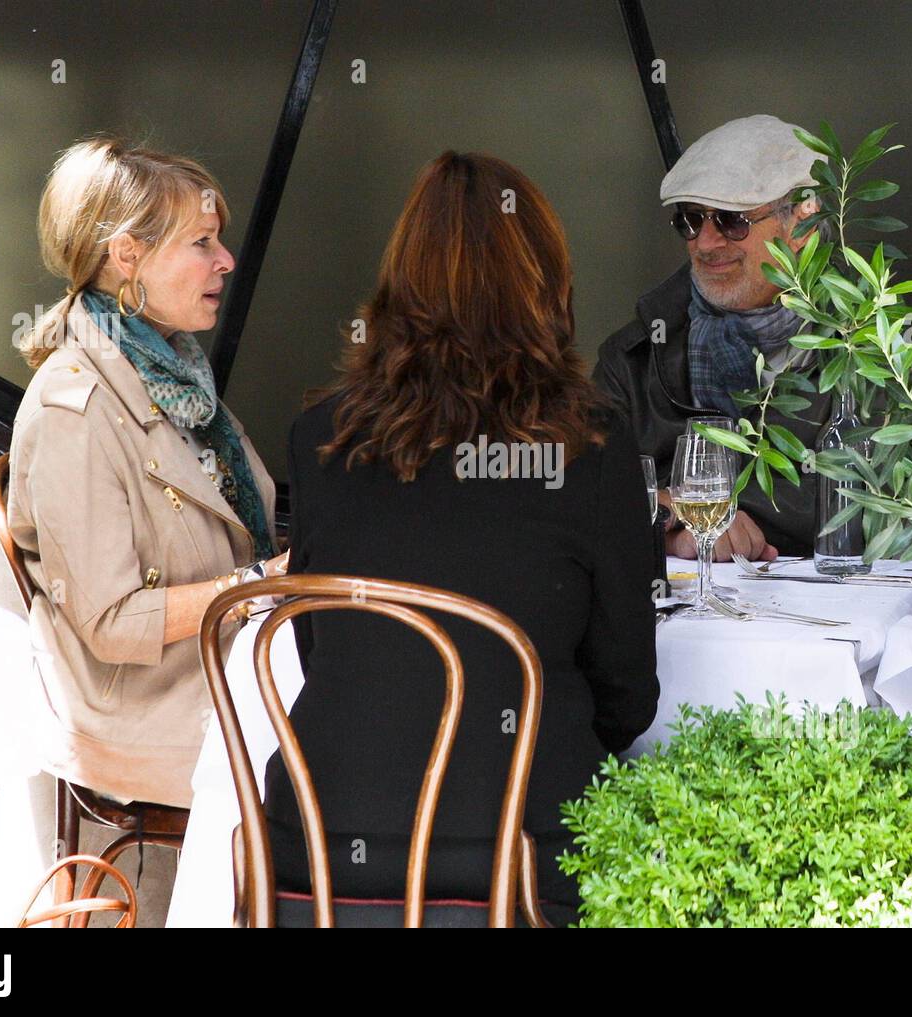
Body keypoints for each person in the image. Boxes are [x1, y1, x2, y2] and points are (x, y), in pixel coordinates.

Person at [265, 151, 660, 920]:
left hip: (313, 843)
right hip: (517, 851)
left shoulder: (320, 438)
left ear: (397, 283)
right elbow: (627, 694)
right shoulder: (590, 446)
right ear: (545, 282)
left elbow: (326, 648)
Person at [7, 137, 285, 808]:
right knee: (367, 735)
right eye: (201, 242)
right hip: (151, 711)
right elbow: (111, 620)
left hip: (220, 671)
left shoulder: (175, 375)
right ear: (127, 255)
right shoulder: (75, 407)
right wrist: (266, 584)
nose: (226, 260)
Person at [593, 113, 832, 560]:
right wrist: (667, 525)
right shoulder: (631, 360)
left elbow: (877, 511)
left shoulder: (878, 354)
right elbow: (581, 503)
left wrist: (727, 518)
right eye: (690, 220)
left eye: (731, 220)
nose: (705, 243)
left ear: (801, 223)